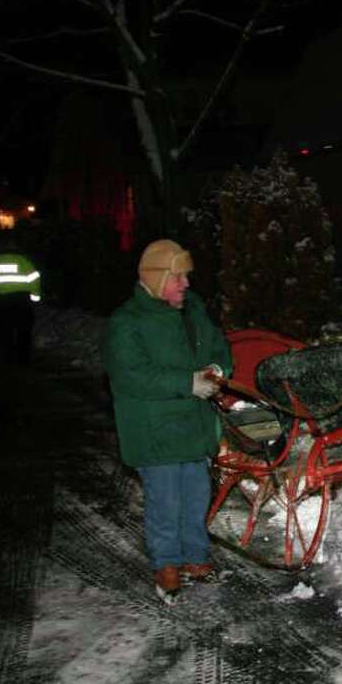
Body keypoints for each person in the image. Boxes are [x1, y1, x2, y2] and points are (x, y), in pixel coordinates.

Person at [104, 239, 232, 604]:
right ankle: (167, 564)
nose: (186, 284)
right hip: (155, 430)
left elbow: (219, 346)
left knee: (196, 495)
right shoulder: (126, 322)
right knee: (166, 501)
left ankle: (195, 555)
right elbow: (131, 375)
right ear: (156, 278)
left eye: (187, 276)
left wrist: (217, 369)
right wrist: (187, 383)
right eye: (178, 277)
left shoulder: (193, 311)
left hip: (193, 425)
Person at [0, 245, 42, 366]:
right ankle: (23, 359)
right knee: (24, 330)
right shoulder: (23, 260)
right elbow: (34, 278)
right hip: (22, 300)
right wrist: (35, 296)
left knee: (5, 330)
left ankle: (7, 358)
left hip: (3, 300)